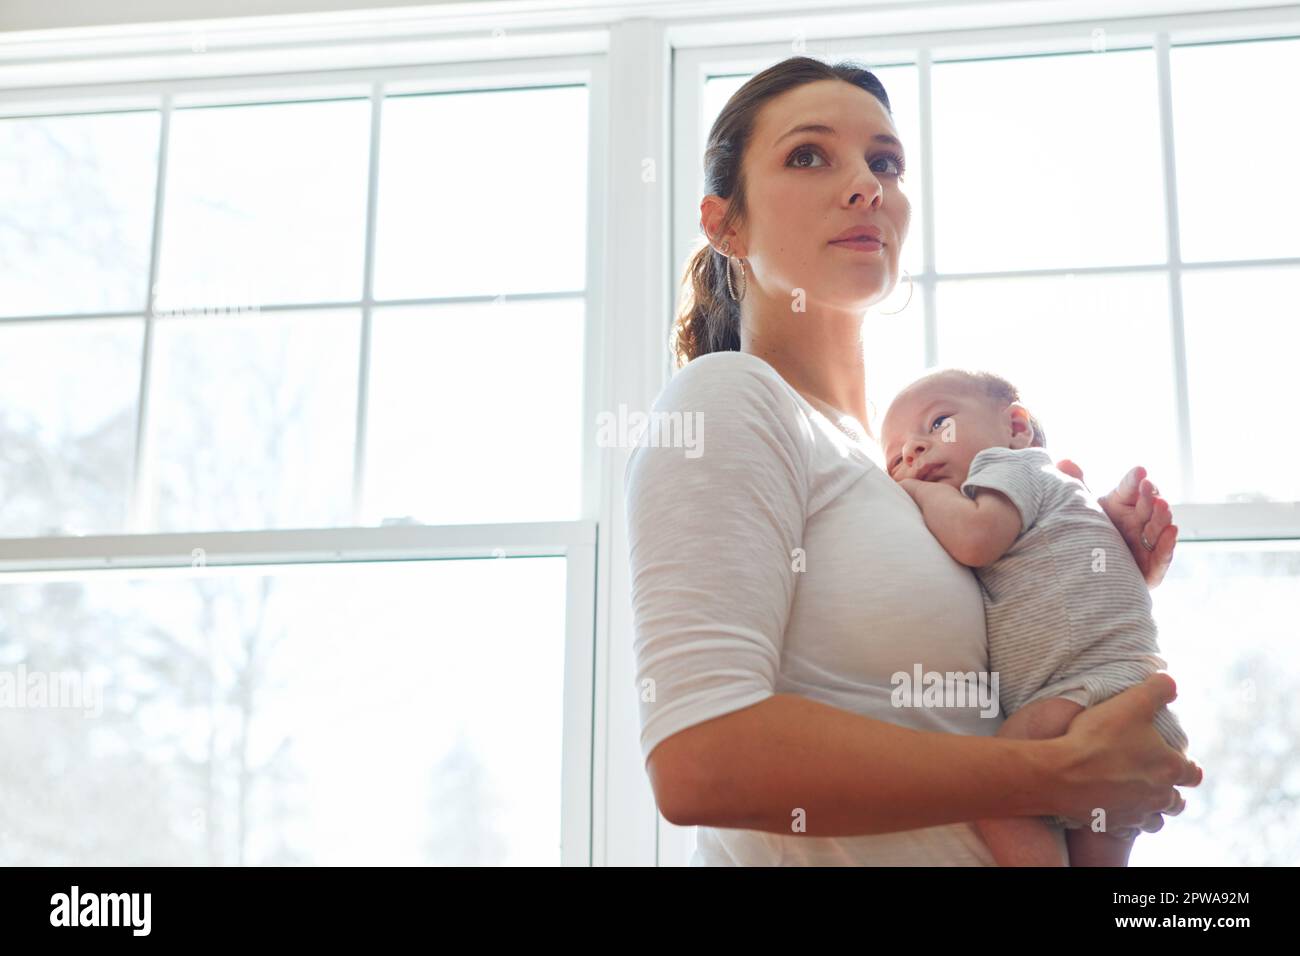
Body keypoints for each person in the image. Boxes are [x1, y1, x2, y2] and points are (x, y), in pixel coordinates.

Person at [623, 55, 1201, 866]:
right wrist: (1053, 773)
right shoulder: (729, 400)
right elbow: (700, 761)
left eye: (884, 162)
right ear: (726, 225)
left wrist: (1091, 563)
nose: (865, 185)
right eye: (809, 156)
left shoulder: (902, 470)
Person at [880, 367, 1191, 866]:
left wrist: (918, 491)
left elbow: (976, 540)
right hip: (1124, 702)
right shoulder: (1048, 503)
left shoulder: (1012, 467)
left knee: (994, 792)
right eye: (895, 458)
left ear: (1016, 428)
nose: (912, 450)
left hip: (1091, 692)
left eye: (938, 424)